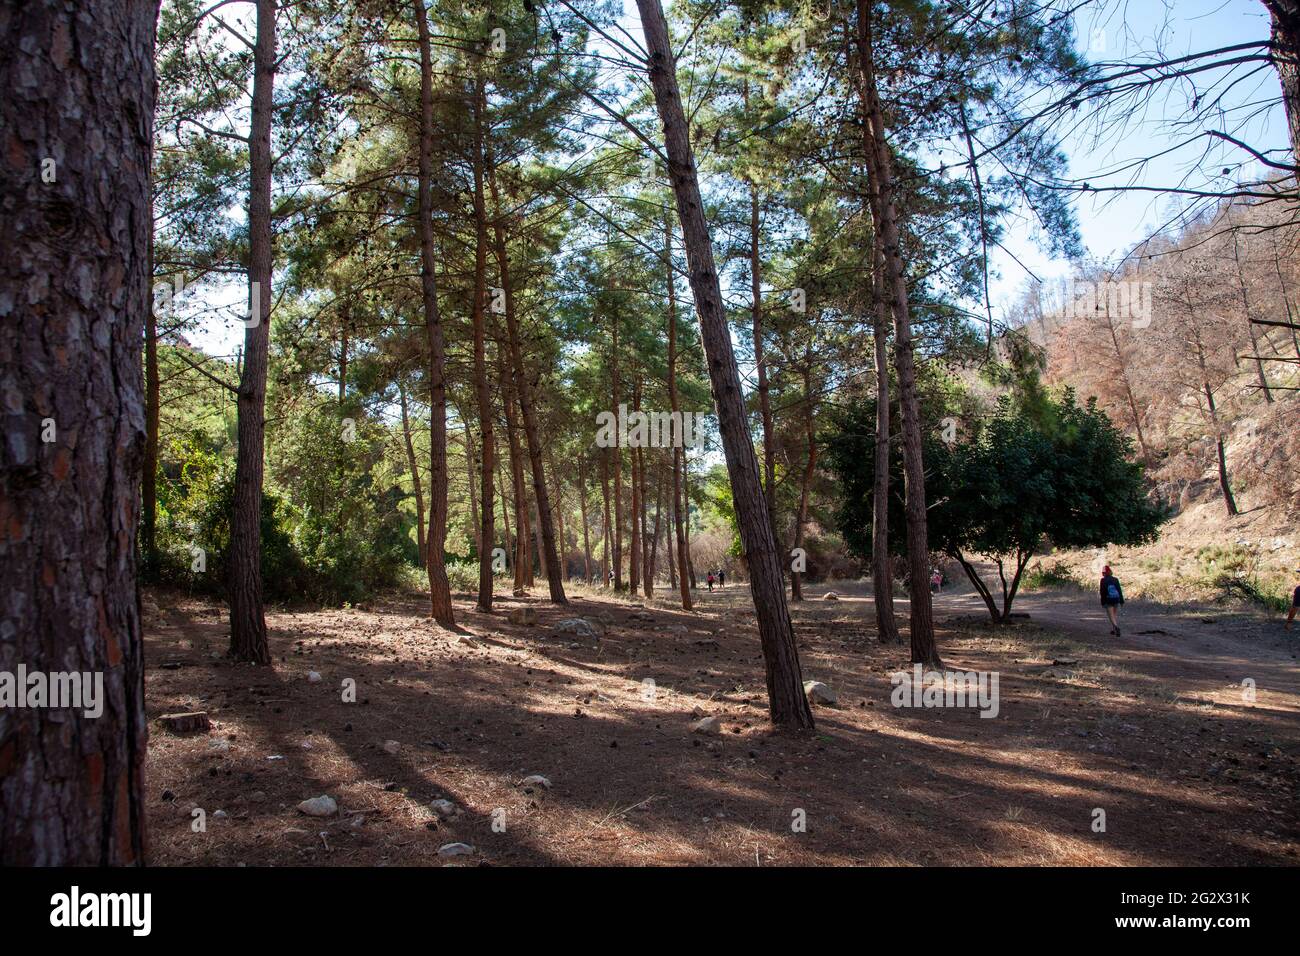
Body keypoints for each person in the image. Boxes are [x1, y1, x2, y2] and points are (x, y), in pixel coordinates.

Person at [1100, 565, 1124, 636]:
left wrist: (1103, 602)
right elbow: (1119, 590)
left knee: (1111, 616)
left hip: (1108, 600)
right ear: (1110, 572)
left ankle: (1116, 628)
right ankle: (1113, 630)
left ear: (1103, 573)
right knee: (1114, 615)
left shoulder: (1103, 580)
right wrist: (1121, 601)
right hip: (1116, 599)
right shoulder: (1115, 579)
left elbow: (1102, 592)